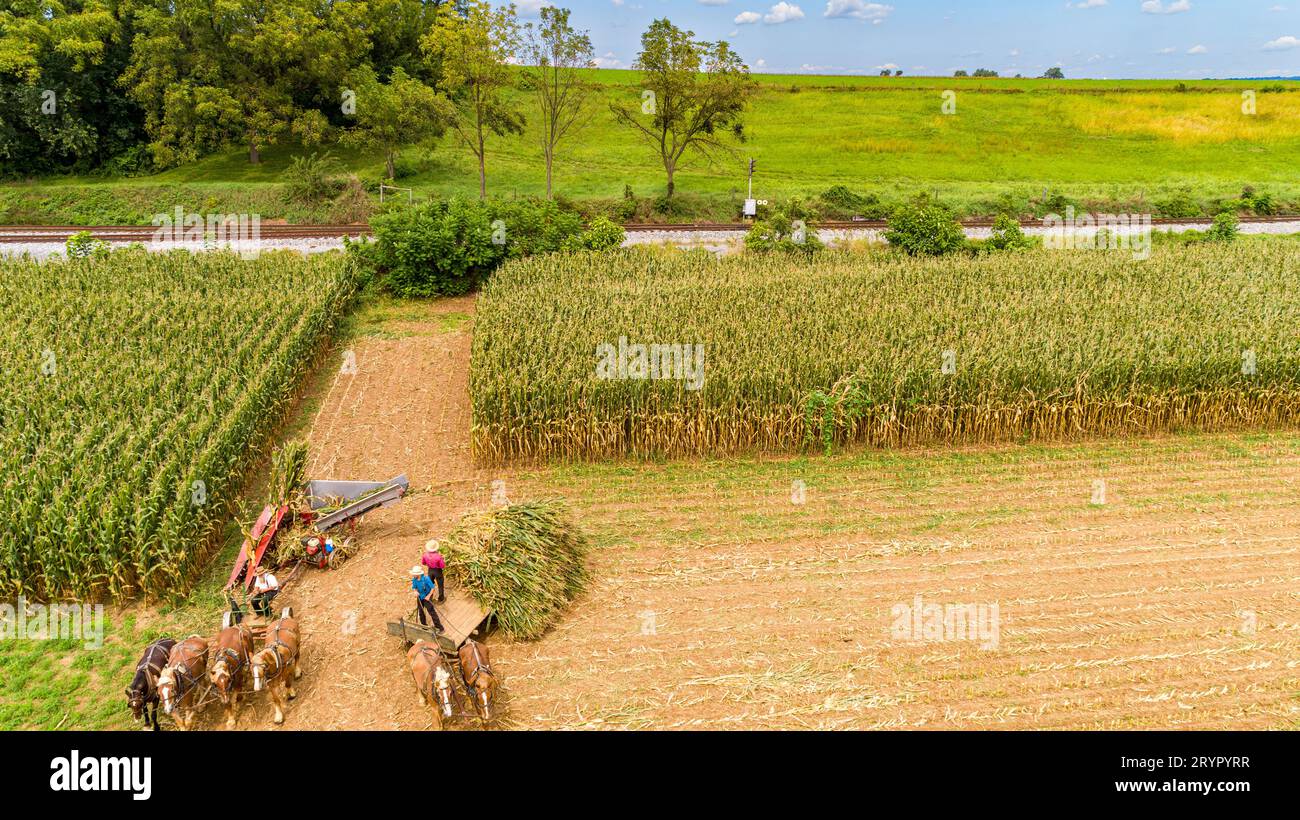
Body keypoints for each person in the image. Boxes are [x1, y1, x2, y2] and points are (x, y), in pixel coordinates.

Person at [410, 565, 443, 631]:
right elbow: (414, 587)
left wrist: (428, 596)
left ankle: (439, 627)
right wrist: (415, 592)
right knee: (421, 612)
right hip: (420, 597)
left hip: (427, 596)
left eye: (414, 574)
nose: (413, 575)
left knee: (431, 612)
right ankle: (424, 626)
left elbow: (433, 588)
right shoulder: (414, 579)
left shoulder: (426, 579)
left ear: (418, 574)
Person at [421, 539, 446, 603]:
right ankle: (441, 598)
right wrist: (443, 559)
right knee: (440, 584)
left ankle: (430, 597)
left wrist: (429, 564)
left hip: (430, 570)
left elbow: (423, 563)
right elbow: (442, 566)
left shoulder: (425, 555)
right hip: (437, 571)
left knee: (430, 584)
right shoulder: (438, 556)